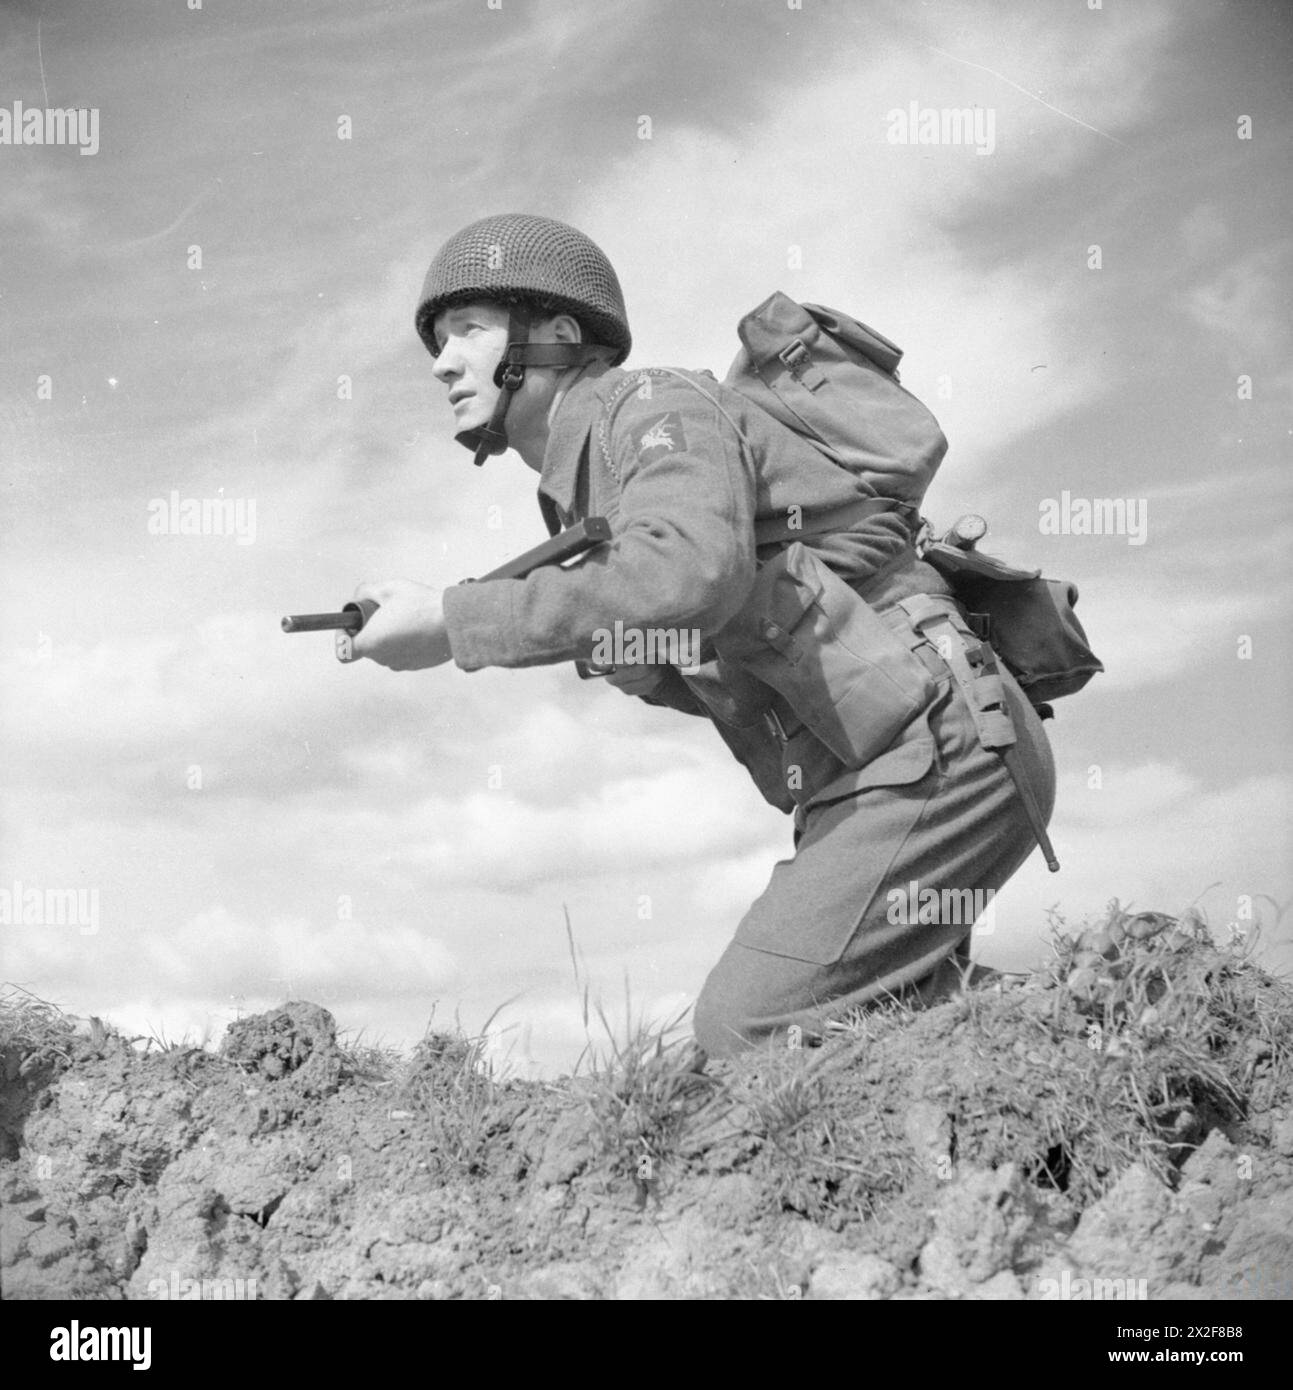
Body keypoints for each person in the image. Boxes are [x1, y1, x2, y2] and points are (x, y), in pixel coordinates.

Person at [349, 212, 1056, 1059]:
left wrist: (454, 620)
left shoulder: (652, 405)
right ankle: (1110, 1009)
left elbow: (689, 572)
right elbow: (698, 635)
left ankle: (1106, 1009)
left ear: (556, 335)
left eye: (466, 329)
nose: (440, 361)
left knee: (748, 1028)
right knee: (865, 1020)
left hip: (935, 744)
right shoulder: (586, 490)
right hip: (875, 757)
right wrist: (613, 646)